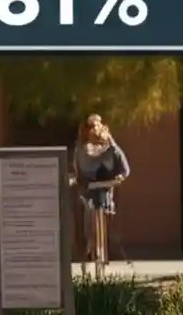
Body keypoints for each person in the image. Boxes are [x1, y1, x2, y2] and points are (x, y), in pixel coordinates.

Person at [70, 114, 130, 265]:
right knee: (89, 224)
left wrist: (115, 179)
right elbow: (78, 175)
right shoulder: (80, 151)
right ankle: (91, 252)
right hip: (87, 196)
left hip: (106, 197)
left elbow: (124, 170)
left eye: (96, 126)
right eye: (90, 127)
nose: (94, 130)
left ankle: (100, 254)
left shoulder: (112, 151)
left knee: (102, 223)